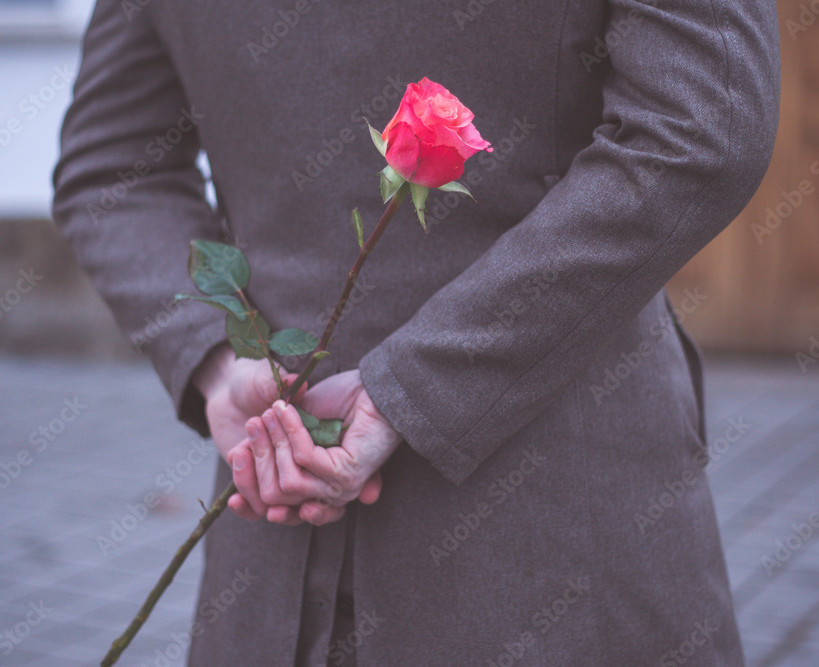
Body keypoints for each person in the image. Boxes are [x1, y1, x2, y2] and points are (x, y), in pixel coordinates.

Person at [52, 0, 781, 664]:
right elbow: (703, 126)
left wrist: (223, 358)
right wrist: (225, 356)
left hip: (348, 519)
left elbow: (113, 168)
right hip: (548, 532)